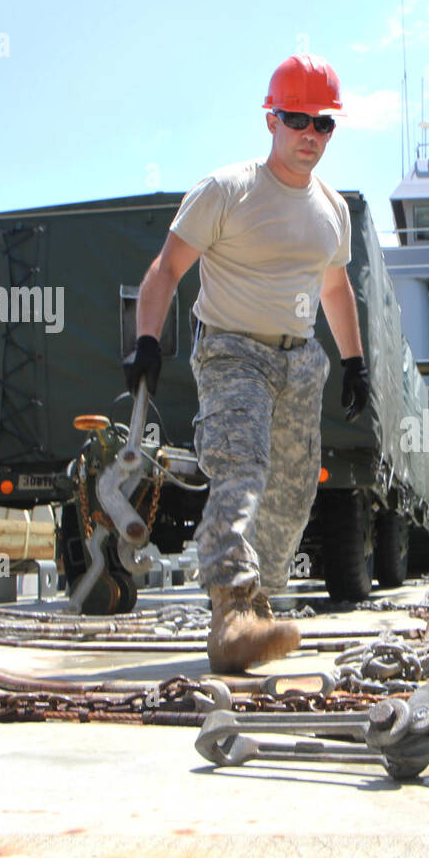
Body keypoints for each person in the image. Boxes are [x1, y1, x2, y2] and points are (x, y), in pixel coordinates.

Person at [123, 53, 369, 674]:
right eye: (298, 119)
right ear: (271, 120)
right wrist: (147, 339)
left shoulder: (332, 210)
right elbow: (166, 269)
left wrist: (355, 362)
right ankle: (229, 613)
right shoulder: (226, 191)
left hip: (301, 362)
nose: (310, 134)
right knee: (243, 467)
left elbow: (335, 290)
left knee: (290, 497)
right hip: (233, 350)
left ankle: (257, 602)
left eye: (324, 124)